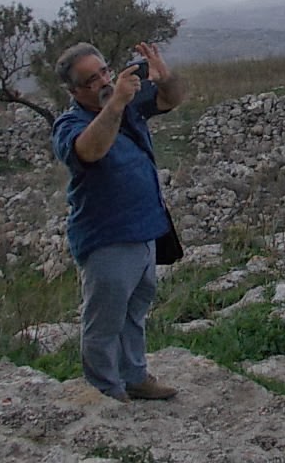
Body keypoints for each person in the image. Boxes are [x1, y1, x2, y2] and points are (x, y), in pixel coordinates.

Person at [51, 41, 186, 402]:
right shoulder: (70, 124)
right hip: (107, 238)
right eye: (91, 80)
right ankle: (106, 393)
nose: (103, 81)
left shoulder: (127, 107)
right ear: (75, 91)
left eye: (104, 72)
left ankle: (135, 376)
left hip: (144, 232)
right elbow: (89, 150)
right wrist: (115, 103)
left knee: (134, 312)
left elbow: (172, 98)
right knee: (104, 321)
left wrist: (164, 73)